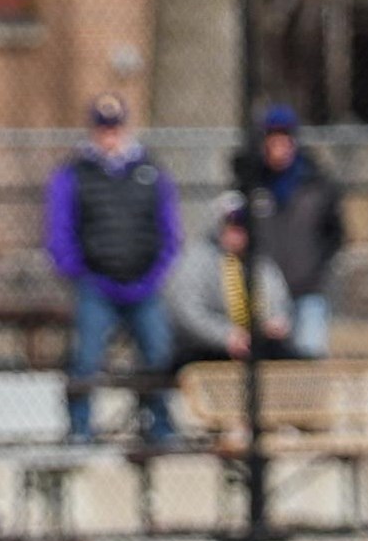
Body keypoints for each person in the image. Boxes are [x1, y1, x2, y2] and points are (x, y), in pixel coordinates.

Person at [43, 93, 182, 445]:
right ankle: (80, 428)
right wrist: (77, 270)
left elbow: (169, 230)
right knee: (85, 359)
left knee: (157, 354)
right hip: (96, 285)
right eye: (103, 128)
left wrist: (157, 271)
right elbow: (59, 230)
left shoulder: (150, 172)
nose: (110, 136)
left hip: (145, 284)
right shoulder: (74, 174)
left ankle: (160, 425)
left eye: (115, 127)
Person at [231, 103, 344, 359]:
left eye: (285, 140)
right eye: (273, 140)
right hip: (263, 295)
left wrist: (317, 268)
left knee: (309, 354)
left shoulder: (317, 185)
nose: (279, 148)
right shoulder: (251, 185)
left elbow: (334, 234)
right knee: (268, 362)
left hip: (307, 289)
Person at [168, 192, 296, 369]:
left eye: (245, 227)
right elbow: (187, 311)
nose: (240, 234)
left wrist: (275, 320)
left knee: (293, 358)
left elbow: (278, 299)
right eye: (234, 227)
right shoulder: (197, 258)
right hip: (206, 350)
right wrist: (225, 335)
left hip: (254, 345)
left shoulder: (260, 261)